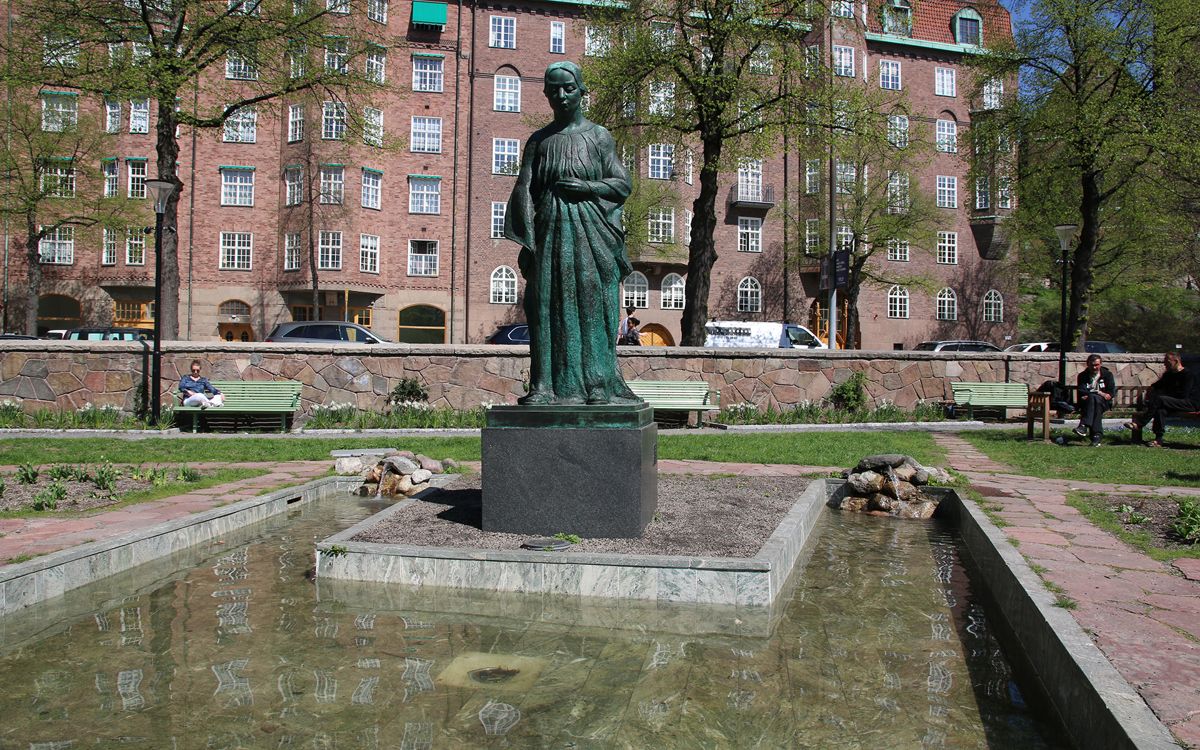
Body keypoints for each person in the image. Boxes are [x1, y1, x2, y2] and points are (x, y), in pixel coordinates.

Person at [503, 61, 641, 406]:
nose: (561, 95)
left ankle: (597, 384)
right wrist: (526, 233)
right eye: (554, 89)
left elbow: (622, 184)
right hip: (550, 233)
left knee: (592, 303)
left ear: (581, 91)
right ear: (547, 94)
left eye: (569, 88)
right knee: (545, 304)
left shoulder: (598, 136)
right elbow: (524, 188)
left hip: (589, 231)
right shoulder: (538, 141)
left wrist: (588, 187)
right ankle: (544, 386)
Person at [1127, 351, 1200, 447]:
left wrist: (1167, 397)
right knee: (1161, 411)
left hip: (1189, 403)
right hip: (1174, 403)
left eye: (1167, 362)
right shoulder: (1169, 375)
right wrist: (1152, 387)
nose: (1165, 364)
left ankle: (1140, 423)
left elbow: (1183, 394)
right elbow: (1159, 384)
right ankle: (1158, 440)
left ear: (1176, 361)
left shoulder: (1188, 375)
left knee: (1160, 399)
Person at [1073, 354, 1114, 446]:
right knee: (1094, 401)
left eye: (1097, 365)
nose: (1094, 367)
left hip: (1103, 403)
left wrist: (1094, 394)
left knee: (1094, 399)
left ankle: (1083, 426)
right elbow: (1081, 390)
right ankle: (1097, 437)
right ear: (1087, 364)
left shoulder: (1107, 375)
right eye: (1092, 365)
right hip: (1087, 403)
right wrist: (1099, 393)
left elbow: (1111, 392)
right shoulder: (1083, 376)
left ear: (1101, 364)